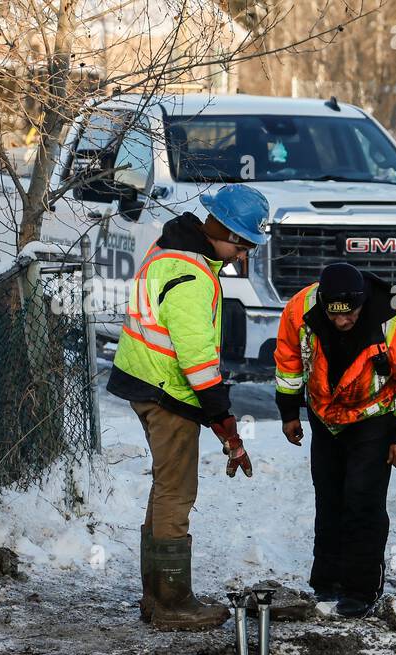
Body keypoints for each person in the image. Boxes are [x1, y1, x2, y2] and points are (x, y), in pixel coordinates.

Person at [107, 183, 269, 630]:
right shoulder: (193, 277)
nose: (242, 256)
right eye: (244, 246)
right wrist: (225, 424)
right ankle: (173, 603)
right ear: (224, 233)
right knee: (177, 493)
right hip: (168, 392)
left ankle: (155, 597)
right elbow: (198, 364)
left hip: (144, 380)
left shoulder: (169, 247)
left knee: (164, 488)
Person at [273, 263, 396, 617]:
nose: (341, 322)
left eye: (350, 316)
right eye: (333, 315)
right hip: (325, 417)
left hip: (372, 418)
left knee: (363, 500)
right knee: (328, 497)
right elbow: (288, 360)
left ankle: (361, 590)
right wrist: (288, 411)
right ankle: (327, 581)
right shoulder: (301, 308)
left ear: (362, 305)